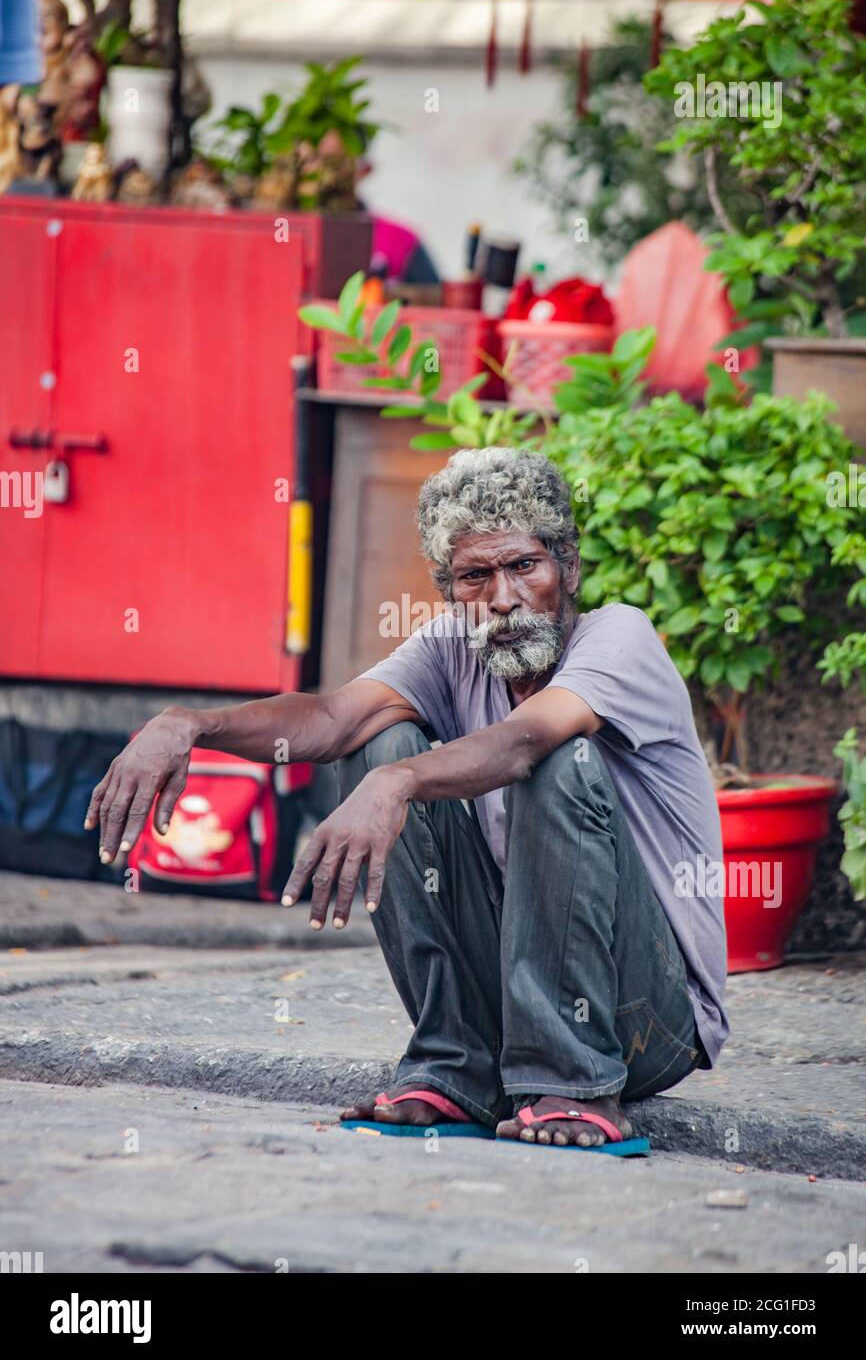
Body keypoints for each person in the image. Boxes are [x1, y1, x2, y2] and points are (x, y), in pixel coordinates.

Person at [88, 448, 728, 1147]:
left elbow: (520, 744)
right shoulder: (451, 648)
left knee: (547, 759)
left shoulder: (618, 636)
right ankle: (455, 1063)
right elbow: (333, 719)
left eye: (524, 567)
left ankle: (572, 1081)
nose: (503, 598)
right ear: (451, 592)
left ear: (567, 571)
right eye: (475, 577)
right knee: (376, 744)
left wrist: (396, 786)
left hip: (646, 1019)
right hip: (515, 1005)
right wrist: (190, 724)